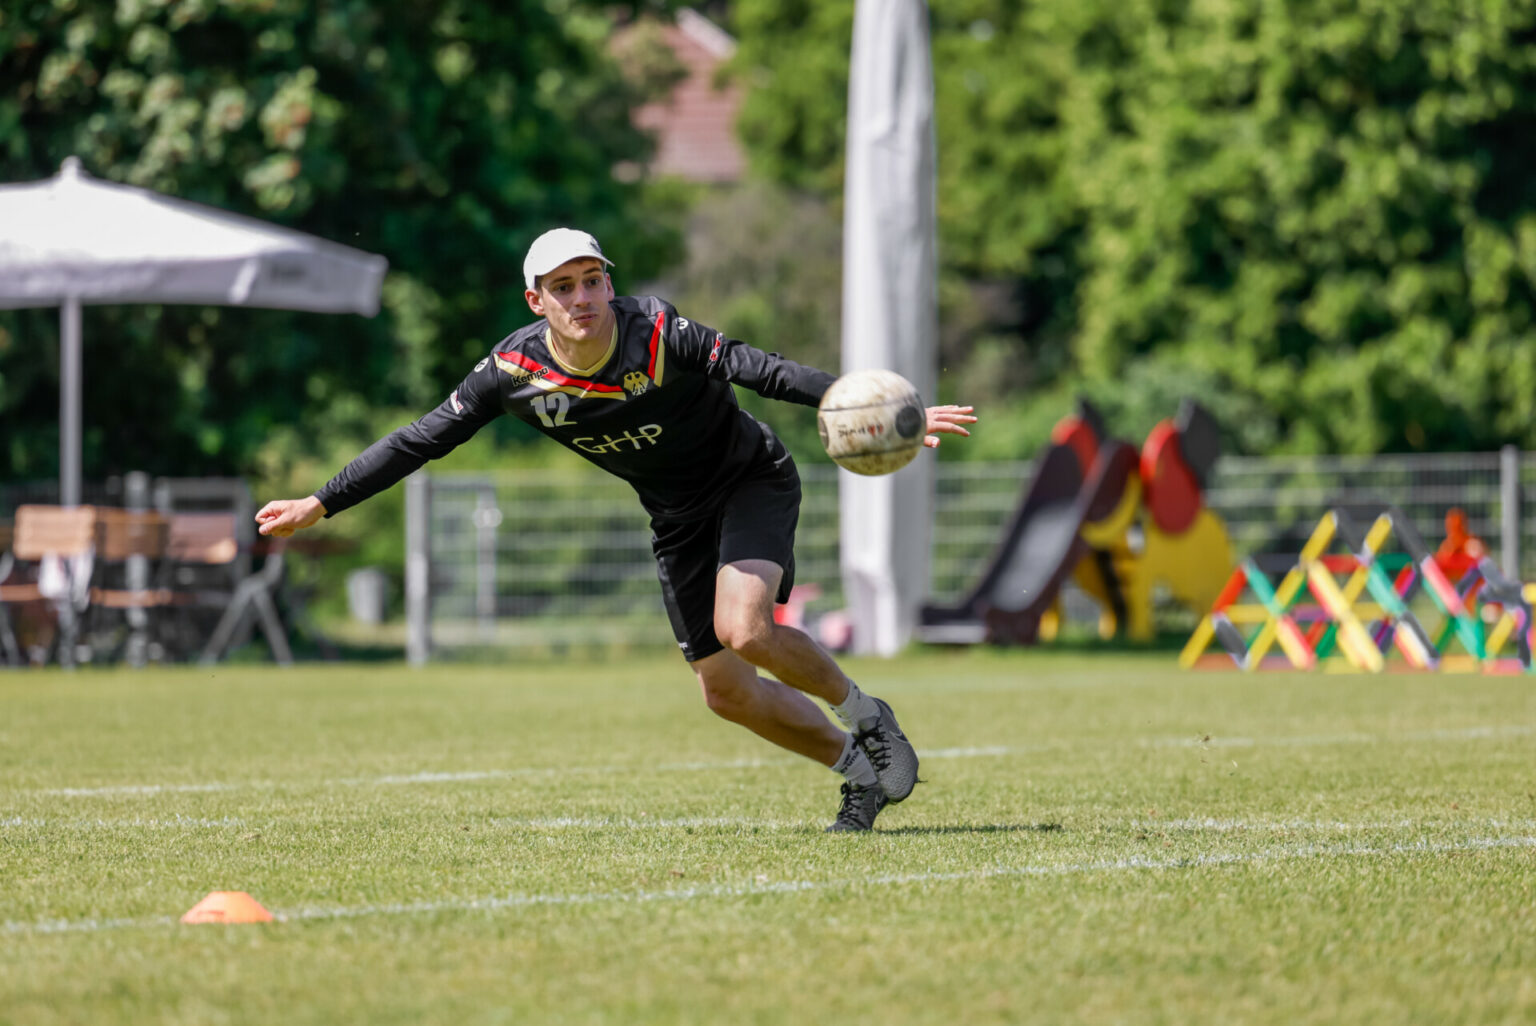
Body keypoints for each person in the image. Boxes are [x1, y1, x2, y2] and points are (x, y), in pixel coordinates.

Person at [256, 228, 977, 832]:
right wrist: (321, 502)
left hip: (749, 479)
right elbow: (421, 439)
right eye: (562, 287)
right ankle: (861, 773)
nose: (582, 298)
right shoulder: (510, 372)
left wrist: (876, 406)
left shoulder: (658, 332)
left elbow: (762, 370)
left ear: (609, 284)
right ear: (536, 301)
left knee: (746, 628)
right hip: (675, 517)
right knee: (725, 692)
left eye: (592, 280)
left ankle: (868, 717)